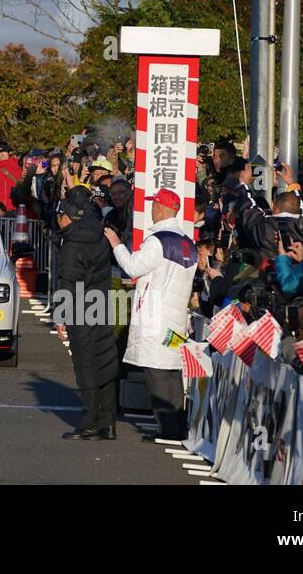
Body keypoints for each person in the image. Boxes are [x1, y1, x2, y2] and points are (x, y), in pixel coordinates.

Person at [103, 187, 197, 442]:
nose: (150, 209)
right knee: (172, 370)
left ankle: (167, 428)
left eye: (153, 205)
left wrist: (117, 245)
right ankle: (178, 425)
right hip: (177, 316)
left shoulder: (158, 240)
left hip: (156, 317)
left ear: (161, 208)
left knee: (156, 371)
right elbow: (167, 276)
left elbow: (132, 266)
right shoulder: (188, 243)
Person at [54, 187, 120, 440]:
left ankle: (90, 422)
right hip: (102, 304)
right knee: (104, 360)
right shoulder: (99, 235)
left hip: (80, 309)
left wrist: (60, 316)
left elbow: (68, 283)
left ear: (69, 216)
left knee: (86, 363)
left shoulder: (72, 245)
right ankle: (108, 422)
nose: (59, 221)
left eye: (61, 216)